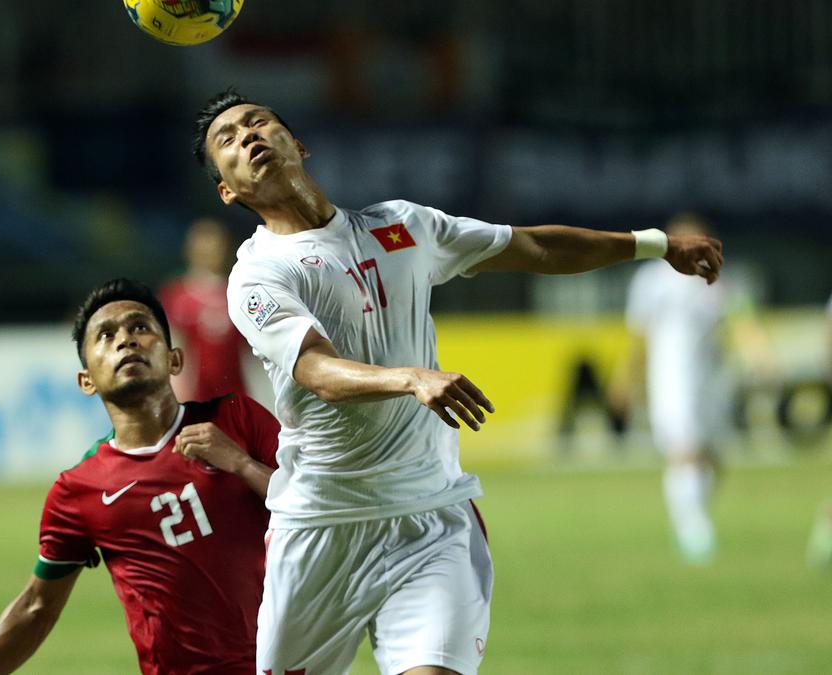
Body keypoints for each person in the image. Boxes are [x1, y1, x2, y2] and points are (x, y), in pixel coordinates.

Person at [191, 88, 724, 675]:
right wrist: (410, 378)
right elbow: (314, 370)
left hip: (429, 516)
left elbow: (535, 247)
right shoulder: (257, 276)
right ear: (229, 189)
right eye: (229, 140)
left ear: (299, 143)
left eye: (259, 122)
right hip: (320, 526)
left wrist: (654, 245)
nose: (248, 136)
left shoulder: (403, 226)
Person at [0, 278, 280, 675]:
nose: (126, 340)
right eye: (106, 335)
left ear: (175, 359)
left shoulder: (237, 419)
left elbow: (324, 505)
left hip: (292, 663)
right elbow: (37, 607)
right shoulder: (80, 490)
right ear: (86, 380)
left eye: (141, 328)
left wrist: (243, 465)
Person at [622, 213, 772, 564]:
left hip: (714, 377)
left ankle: (694, 515)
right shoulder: (653, 281)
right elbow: (638, 337)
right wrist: (627, 380)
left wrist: (760, 356)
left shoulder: (720, 281)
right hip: (671, 377)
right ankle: (692, 527)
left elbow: (743, 321)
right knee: (684, 448)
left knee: (713, 454)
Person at [158, 217, 251, 401]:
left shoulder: (239, 293)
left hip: (235, 398)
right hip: (193, 399)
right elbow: (168, 345)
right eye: (203, 244)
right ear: (190, 249)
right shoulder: (176, 295)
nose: (210, 250)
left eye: (215, 244)